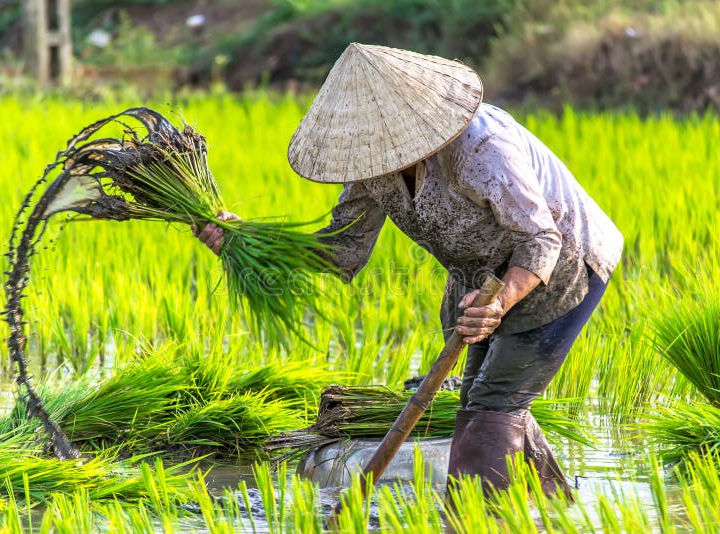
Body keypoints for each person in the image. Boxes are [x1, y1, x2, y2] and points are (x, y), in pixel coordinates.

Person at [194, 43, 623, 498]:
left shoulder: (480, 146)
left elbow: (541, 239)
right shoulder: (371, 166)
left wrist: (499, 302)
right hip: (475, 276)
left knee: (494, 402)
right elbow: (342, 249)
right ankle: (549, 504)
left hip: (564, 263)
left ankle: (477, 520)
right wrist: (249, 240)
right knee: (484, 399)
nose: (378, 153)